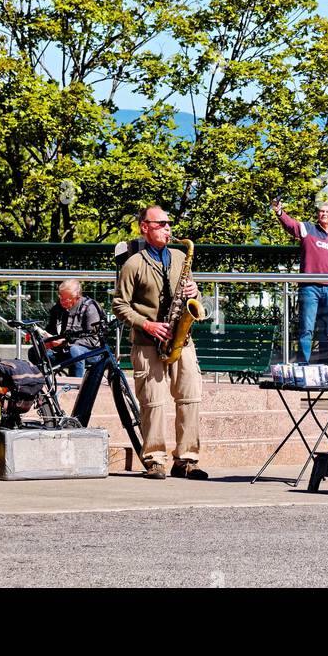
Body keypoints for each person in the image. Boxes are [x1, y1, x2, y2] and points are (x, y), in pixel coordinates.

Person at [112, 205, 208, 481]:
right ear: (145, 227)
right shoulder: (134, 264)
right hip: (147, 342)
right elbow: (120, 305)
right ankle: (154, 460)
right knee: (153, 403)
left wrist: (194, 290)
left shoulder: (179, 257)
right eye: (161, 224)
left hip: (182, 339)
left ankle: (187, 460)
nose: (168, 228)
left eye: (169, 224)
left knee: (190, 398)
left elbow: (192, 295)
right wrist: (148, 324)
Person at [273, 200, 328, 362]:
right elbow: (290, 224)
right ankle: (303, 365)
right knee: (306, 329)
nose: (324, 214)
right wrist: (279, 211)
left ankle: (325, 367)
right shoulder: (308, 228)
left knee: (326, 330)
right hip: (309, 287)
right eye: (321, 211)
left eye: (327, 212)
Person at [37, 279, 103, 378]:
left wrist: (65, 342)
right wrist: (46, 341)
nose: (62, 302)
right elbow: (50, 330)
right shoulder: (57, 308)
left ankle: (77, 384)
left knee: (75, 350)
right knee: (35, 351)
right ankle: (41, 383)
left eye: (67, 299)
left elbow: (93, 339)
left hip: (90, 352)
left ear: (77, 296)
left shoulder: (90, 308)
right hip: (63, 350)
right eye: (61, 297)